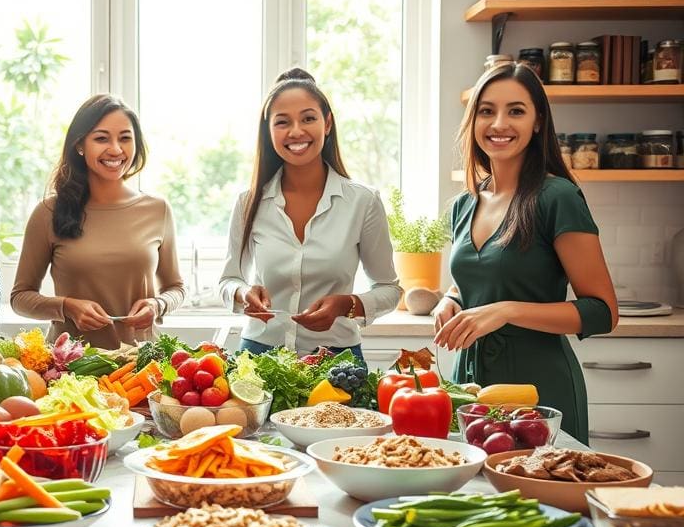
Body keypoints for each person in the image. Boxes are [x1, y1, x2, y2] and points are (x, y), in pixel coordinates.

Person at [432, 62, 618, 443]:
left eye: (516, 110)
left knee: (543, 499)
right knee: (472, 498)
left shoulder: (558, 198)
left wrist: (507, 311)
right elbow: (480, 277)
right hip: (470, 385)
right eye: (487, 111)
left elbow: (602, 312)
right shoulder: (463, 204)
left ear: (537, 122)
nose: (499, 123)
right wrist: (449, 299)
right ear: (473, 121)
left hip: (539, 392)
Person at [219, 68, 402, 359]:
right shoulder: (248, 202)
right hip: (259, 357)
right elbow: (229, 280)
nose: (296, 131)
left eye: (308, 118)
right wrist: (243, 295)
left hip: (336, 361)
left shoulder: (363, 202)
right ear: (268, 130)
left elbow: (389, 290)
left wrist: (348, 304)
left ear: (327, 123)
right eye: (282, 122)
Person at [10, 94, 185, 349]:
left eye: (125, 138)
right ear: (80, 145)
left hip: (140, 366)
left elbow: (176, 288)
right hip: (72, 368)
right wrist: (67, 307)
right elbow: (20, 298)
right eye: (102, 138)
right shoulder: (48, 212)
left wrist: (157, 305)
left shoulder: (158, 210)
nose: (115, 149)